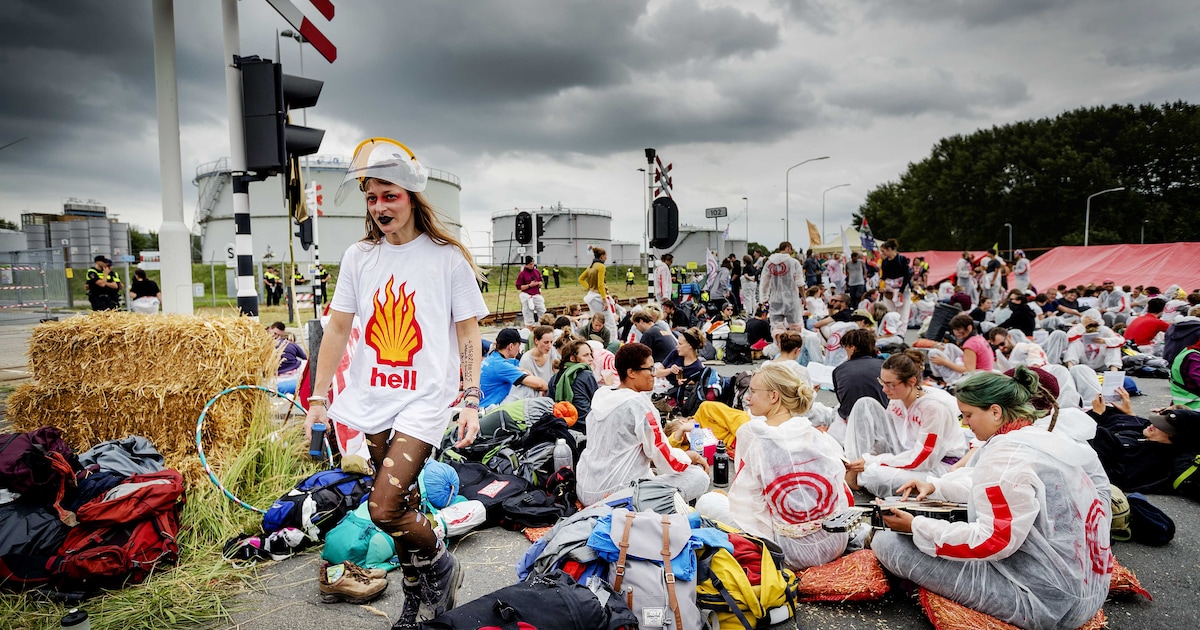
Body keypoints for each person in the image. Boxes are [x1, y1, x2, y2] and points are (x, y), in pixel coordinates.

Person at [304, 138, 488, 627]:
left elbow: (468, 331)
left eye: (390, 195)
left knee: (384, 507)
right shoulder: (359, 256)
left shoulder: (447, 257)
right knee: (405, 503)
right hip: (373, 397)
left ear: (411, 196)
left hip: (424, 399)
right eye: (372, 197)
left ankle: (442, 566)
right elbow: (337, 329)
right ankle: (415, 589)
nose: (380, 207)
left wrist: (471, 398)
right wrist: (318, 397)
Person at [872, 368, 1111, 630]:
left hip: (1045, 604)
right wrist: (935, 487)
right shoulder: (1040, 439)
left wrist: (915, 526)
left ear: (996, 412)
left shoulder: (1005, 456)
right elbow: (991, 489)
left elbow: (993, 541)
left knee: (887, 542)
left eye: (968, 415)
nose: (966, 423)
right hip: (1087, 591)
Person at [695, 364, 851, 570]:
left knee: (708, 501)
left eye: (753, 391)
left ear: (773, 396)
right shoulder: (817, 435)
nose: (747, 398)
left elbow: (750, 508)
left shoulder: (754, 437)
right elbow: (842, 493)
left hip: (790, 552)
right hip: (837, 540)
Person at [576, 343, 710, 505]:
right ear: (631, 372)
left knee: (651, 472)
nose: (654, 374)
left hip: (585, 488)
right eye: (650, 369)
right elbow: (667, 460)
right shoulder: (638, 404)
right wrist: (691, 457)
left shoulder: (602, 396)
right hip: (615, 495)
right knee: (698, 476)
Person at [843, 350, 968, 497]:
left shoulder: (933, 408)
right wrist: (867, 460)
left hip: (934, 466)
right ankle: (854, 469)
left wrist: (871, 461)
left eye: (891, 384)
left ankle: (860, 475)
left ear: (912, 382)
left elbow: (922, 460)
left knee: (875, 475)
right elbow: (886, 438)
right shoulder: (896, 400)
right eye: (882, 382)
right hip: (904, 455)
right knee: (864, 404)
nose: (884, 389)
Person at [1088, 388, 1197, 493]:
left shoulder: (1153, 462)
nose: (1153, 425)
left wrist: (1095, 416)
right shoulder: (1149, 439)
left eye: (1161, 426)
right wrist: (1129, 413)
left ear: (1176, 439)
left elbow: (1110, 477)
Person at [831, 328, 887, 436]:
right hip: (883, 418)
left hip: (851, 421)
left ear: (852, 348)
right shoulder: (885, 366)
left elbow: (843, 399)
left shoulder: (839, 370)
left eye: (846, 348)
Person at [481, 328, 548, 406]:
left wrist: (528, 373)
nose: (519, 349)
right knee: (528, 388)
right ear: (511, 346)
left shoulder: (492, 358)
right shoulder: (501, 365)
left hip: (482, 403)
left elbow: (519, 369)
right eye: (518, 346)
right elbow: (540, 385)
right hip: (489, 407)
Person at [929, 314, 995, 386]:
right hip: (984, 374)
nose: (956, 333)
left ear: (969, 328)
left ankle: (940, 378)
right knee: (949, 346)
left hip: (976, 379)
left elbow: (969, 371)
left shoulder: (971, 344)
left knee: (933, 353)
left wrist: (944, 362)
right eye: (954, 329)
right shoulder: (978, 338)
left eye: (958, 329)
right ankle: (938, 375)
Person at [547, 339, 599, 428]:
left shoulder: (554, 378)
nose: (591, 358)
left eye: (590, 354)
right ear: (572, 358)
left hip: (562, 426)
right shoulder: (586, 374)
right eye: (586, 355)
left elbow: (549, 404)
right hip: (586, 425)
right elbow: (598, 402)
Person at [655, 327, 708, 391]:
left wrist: (687, 382)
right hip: (661, 387)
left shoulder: (697, 367)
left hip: (675, 392)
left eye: (680, 344)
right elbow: (657, 373)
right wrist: (670, 370)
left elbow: (697, 386)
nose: (677, 346)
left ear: (690, 345)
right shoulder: (675, 353)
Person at [878, 239, 913, 329]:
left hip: (902, 289)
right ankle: (892, 331)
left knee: (903, 313)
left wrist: (901, 290)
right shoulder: (884, 262)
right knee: (890, 312)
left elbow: (907, 276)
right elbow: (884, 275)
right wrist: (881, 283)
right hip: (889, 289)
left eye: (883, 251)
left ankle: (901, 333)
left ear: (889, 249)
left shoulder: (902, 259)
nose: (882, 253)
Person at [578, 247, 611, 333]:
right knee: (608, 321)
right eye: (605, 256)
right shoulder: (601, 266)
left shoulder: (590, 267)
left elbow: (580, 279)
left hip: (591, 295)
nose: (606, 258)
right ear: (602, 256)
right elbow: (600, 285)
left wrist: (589, 287)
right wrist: (604, 300)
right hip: (598, 296)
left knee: (595, 320)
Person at [515, 256, 546, 329]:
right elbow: (519, 287)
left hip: (536, 294)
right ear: (526, 264)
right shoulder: (522, 274)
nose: (532, 266)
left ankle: (542, 327)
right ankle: (529, 329)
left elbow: (540, 280)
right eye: (530, 264)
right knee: (528, 314)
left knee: (542, 311)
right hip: (527, 295)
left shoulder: (536, 271)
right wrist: (529, 285)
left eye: (533, 264)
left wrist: (539, 284)